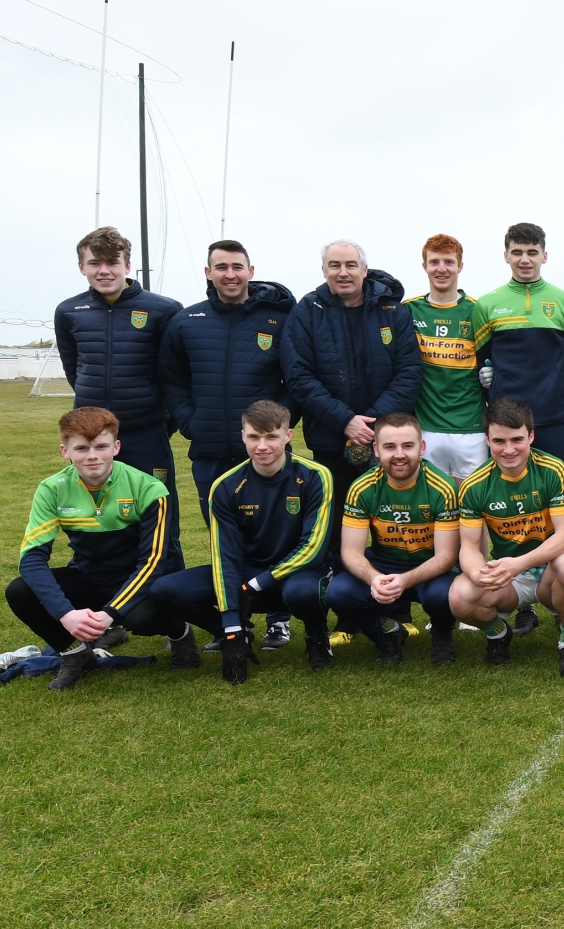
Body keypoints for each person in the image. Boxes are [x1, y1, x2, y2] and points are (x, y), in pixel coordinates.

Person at [159, 239, 299, 652]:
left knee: (278, 536)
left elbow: (296, 376)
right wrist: (190, 422)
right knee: (224, 538)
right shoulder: (187, 322)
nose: (230, 274)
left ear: (251, 271)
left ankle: (279, 619)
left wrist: (281, 423)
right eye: (221, 267)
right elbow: (172, 379)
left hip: (267, 454)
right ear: (208, 273)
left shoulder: (279, 319)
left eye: (237, 267)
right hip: (211, 451)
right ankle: (233, 619)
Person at [9, 406, 190, 689]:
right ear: (64, 451)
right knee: (20, 591)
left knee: (143, 619)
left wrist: (111, 613)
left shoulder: (149, 488)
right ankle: (76, 654)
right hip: (90, 577)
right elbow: (32, 560)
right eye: (81, 448)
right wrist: (65, 614)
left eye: (101, 446)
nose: (92, 456)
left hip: (140, 582)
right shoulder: (51, 489)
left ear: (116, 447)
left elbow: (153, 561)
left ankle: (181, 634)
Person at [151, 400, 334, 682]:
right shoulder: (225, 485)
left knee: (305, 592)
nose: (262, 446)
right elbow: (226, 557)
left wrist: (257, 584)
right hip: (247, 576)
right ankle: (235, 633)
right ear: (243, 437)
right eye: (254, 437)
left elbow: (313, 548)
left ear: (288, 436)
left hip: (296, 573)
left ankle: (316, 636)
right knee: (165, 590)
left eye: (272, 437)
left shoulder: (315, 476)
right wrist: (231, 627)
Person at [448, 399, 564, 675]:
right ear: (487, 440)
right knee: (460, 596)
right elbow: (469, 547)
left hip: (549, 570)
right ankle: (498, 634)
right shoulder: (475, 484)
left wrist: (517, 563)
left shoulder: (553, 469)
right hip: (508, 576)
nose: (509, 449)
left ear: (531, 436)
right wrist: (477, 573)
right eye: (499, 440)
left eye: (517, 439)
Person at [55, 227, 184, 524]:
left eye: (112, 262)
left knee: (157, 506)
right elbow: (74, 368)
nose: (104, 271)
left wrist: (162, 419)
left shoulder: (164, 309)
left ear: (127, 266)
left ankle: (164, 568)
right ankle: (101, 569)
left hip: (147, 430)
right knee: (99, 509)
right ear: (81, 267)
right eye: (94, 263)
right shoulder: (68, 311)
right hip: (92, 432)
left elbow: (175, 373)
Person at [281, 239, 421, 510]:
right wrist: (344, 420)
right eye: (334, 265)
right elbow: (298, 376)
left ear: (365, 270)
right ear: (324, 271)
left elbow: (409, 372)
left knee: (393, 521)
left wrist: (373, 424)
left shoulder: (392, 311)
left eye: (351, 265)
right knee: (335, 525)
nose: (343, 272)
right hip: (330, 440)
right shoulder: (307, 312)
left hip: (388, 441)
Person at [324, 412, 460, 665]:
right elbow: (351, 552)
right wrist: (374, 578)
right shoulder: (362, 487)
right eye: (390, 447)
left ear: (422, 447)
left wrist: (405, 580)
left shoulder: (443, 487)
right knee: (340, 592)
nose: (399, 454)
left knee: (446, 594)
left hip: (429, 565)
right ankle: (387, 632)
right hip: (384, 563)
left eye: (408, 446)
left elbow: (446, 556)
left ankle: (442, 635)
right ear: (376, 449)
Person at [473, 223, 564, 471]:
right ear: (506, 256)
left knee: (560, 491)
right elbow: (483, 362)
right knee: (509, 494)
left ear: (544, 256)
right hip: (506, 419)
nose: (525, 259)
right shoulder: (486, 305)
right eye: (517, 252)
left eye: (532, 252)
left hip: (555, 416)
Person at [405, 234, 487, 480]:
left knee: (473, 510)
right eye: (434, 262)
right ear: (424, 266)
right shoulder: (408, 310)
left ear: (460, 265)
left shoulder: (478, 310)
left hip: (470, 429)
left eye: (449, 262)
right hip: (426, 429)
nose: (442, 269)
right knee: (432, 510)